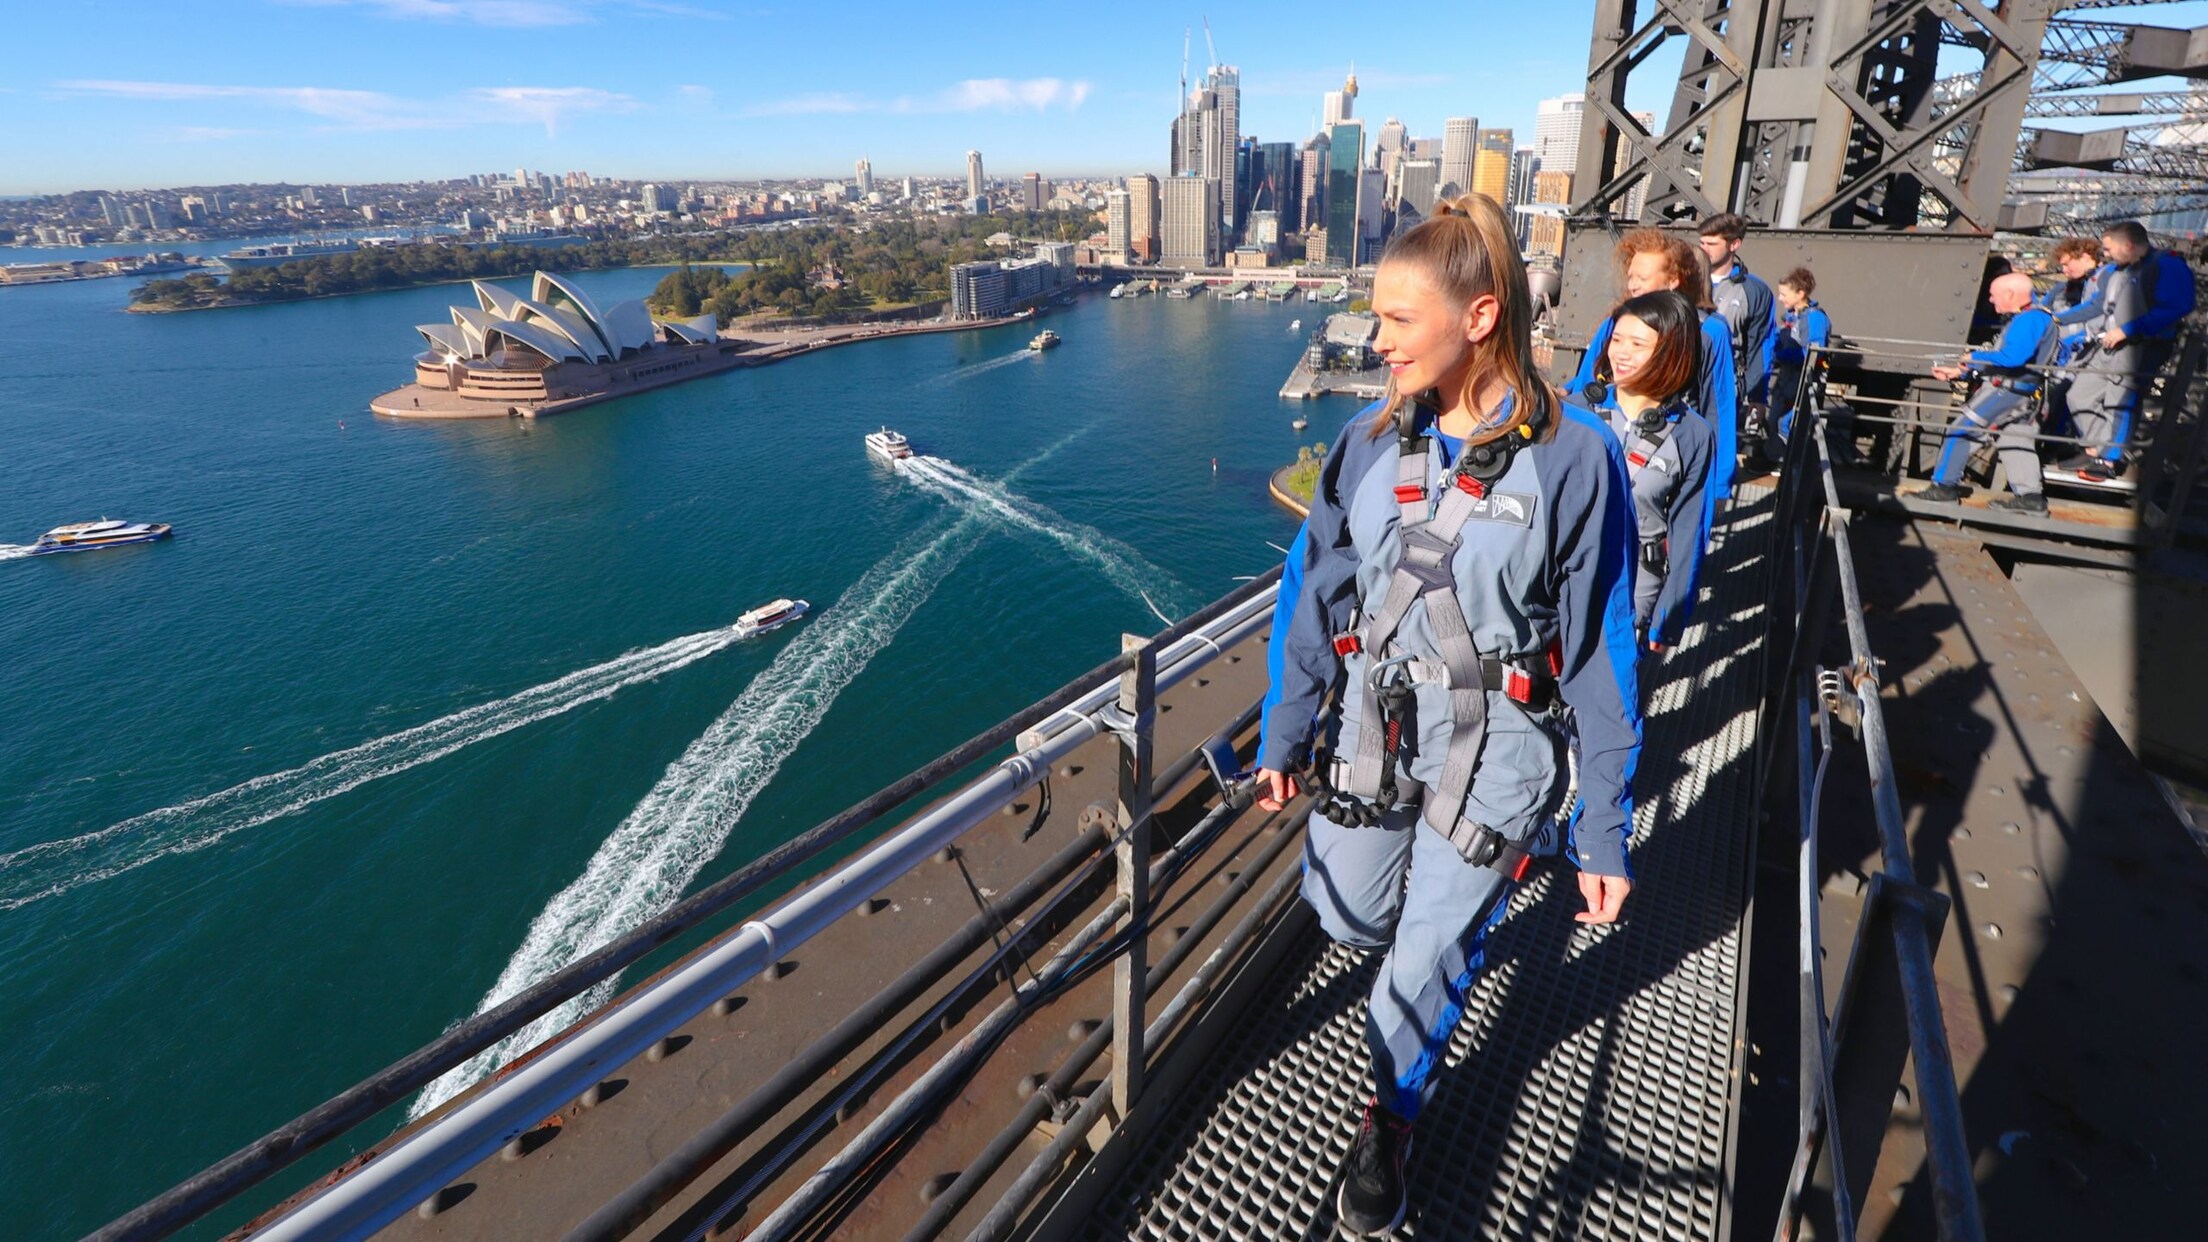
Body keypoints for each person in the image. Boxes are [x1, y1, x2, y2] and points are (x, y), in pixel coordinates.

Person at [1253, 193, 1642, 1237]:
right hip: (1378, 724)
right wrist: (1287, 729)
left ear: (1477, 319)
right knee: (1349, 915)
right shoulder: (1368, 439)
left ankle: (1390, 1115)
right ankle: (1435, 946)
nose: (1374, 344)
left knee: (1422, 955)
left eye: (1394, 322)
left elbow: (1603, 641)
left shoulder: (1574, 455)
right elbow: (1314, 589)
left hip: (1501, 739)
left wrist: (1602, 819)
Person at [1582, 291, 1716, 654]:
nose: (1620, 353)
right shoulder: (1575, 413)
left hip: (1633, 590)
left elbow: (1689, 531)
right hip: (1566, 583)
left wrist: (1670, 617)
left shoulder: (1692, 435)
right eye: (1617, 339)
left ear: (1671, 352)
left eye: (1637, 343)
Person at [1571, 229, 1739, 505]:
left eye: (1643, 278)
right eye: (1631, 276)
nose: (1633, 285)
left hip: (1671, 458)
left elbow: (1718, 406)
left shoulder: (1709, 332)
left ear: (1673, 280)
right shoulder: (1616, 323)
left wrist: (1719, 483)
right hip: (1605, 446)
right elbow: (1585, 387)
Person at [2051, 220, 2197, 480]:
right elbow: (2097, 306)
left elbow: (2176, 306)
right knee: (2079, 395)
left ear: (2128, 245)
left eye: (2108, 249)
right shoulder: (2115, 271)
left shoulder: (2167, 265)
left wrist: (2129, 329)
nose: (2104, 255)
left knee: (2121, 401)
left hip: (2140, 347)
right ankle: (2096, 446)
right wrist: (2057, 318)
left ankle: (2109, 458)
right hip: (2109, 345)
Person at [1918, 272, 2056, 513]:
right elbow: (2008, 360)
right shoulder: (2035, 318)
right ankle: (2031, 497)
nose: (1991, 300)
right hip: (2026, 395)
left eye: (1993, 295)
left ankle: (1944, 487)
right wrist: (1961, 372)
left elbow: (2012, 358)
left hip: (2006, 391)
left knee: (1961, 431)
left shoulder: (2028, 320)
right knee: (2016, 440)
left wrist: (1973, 357)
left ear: (2010, 294)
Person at [1699, 213, 1777, 418]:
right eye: (1702, 242)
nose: (1703, 249)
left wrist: (1757, 397)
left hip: (1723, 382)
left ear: (1734, 244)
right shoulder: (1682, 279)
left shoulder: (1754, 291)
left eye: (1711, 243)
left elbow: (1759, 345)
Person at [1769, 267, 1832, 458]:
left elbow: (1813, 354)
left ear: (1800, 293)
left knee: (1787, 424)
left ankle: (1788, 465)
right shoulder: (1795, 318)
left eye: (1784, 294)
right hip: (1788, 381)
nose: (1780, 299)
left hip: (1801, 383)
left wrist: (1781, 354)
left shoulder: (1814, 319)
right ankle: (1775, 459)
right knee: (1775, 421)